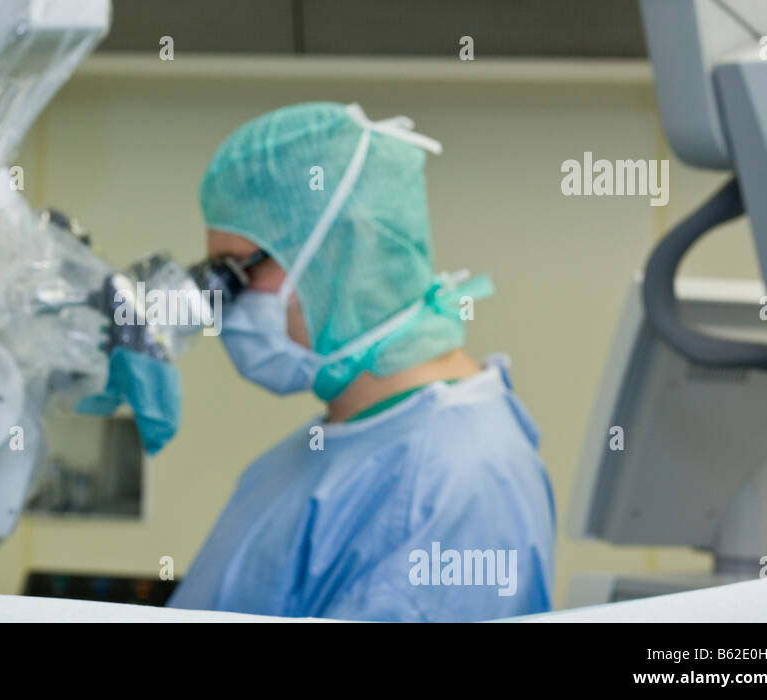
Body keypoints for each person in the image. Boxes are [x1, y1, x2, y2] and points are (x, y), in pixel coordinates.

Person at [167, 102, 555, 621]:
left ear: (343, 249)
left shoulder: (457, 482)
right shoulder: (312, 456)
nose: (224, 303)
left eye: (238, 269)